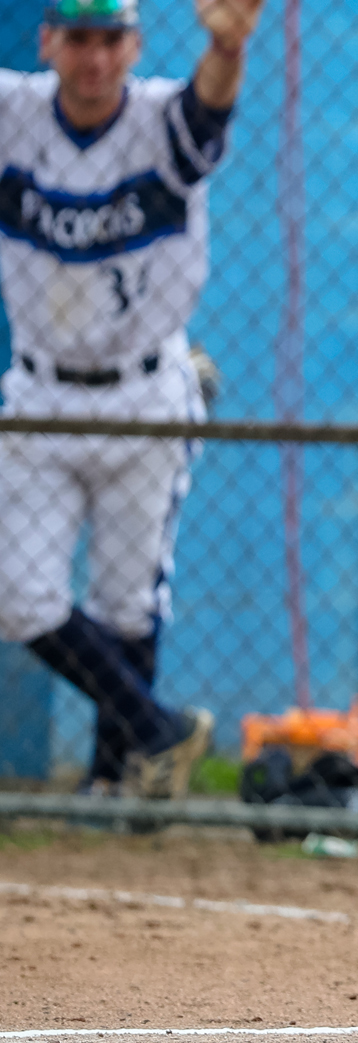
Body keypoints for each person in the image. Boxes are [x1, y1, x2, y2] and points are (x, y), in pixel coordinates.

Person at [0, 0, 265, 798]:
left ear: (134, 46)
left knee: (126, 600)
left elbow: (208, 104)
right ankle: (158, 728)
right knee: (20, 595)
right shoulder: (13, 113)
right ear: (48, 42)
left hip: (145, 387)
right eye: (77, 39)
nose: (93, 59)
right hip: (40, 391)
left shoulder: (157, 119)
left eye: (109, 40)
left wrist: (225, 43)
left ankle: (117, 776)